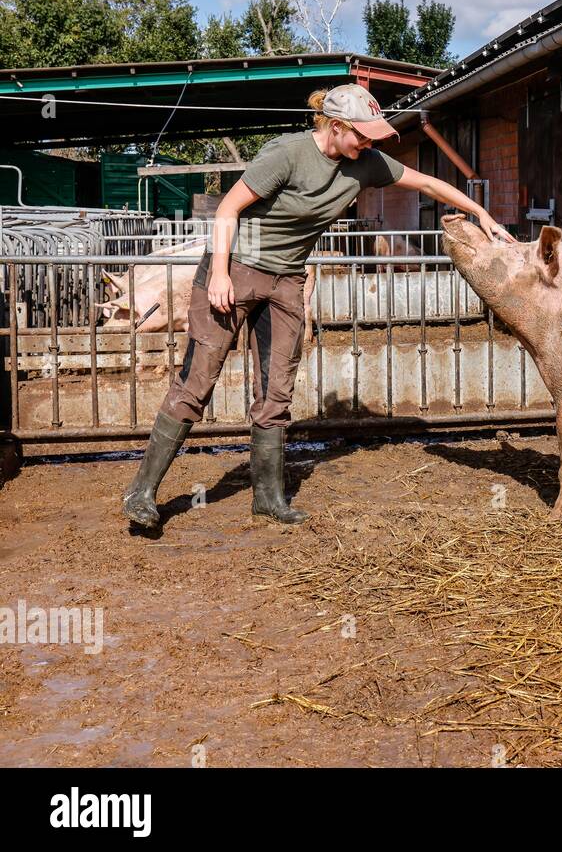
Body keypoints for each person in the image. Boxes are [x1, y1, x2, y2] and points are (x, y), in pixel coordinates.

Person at [122, 84, 516, 530]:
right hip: (237, 267)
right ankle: (142, 492)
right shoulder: (286, 154)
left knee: (276, 392)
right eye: (362, 135)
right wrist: (218, 273)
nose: (370, 143)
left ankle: (268, 498)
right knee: (198, 383)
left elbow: (426, 182)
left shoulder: (365, 163)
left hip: (287, 278)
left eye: (372, 137)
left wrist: (481, 214)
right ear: (335, 126)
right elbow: (229, 207)